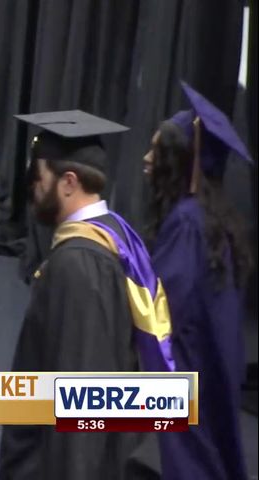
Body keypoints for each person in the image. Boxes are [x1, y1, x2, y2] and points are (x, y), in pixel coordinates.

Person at [0, 110, 173, 480]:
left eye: (38, 177)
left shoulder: (78, 264)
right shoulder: (116, 233)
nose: (32, 187)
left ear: (68, 182)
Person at [144, 81, 253, 480]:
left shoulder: (188, 225)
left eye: (156, 151)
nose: (146, 159)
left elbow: (164, 304)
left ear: (179, 162)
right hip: (211, 368)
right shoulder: (215, 222)